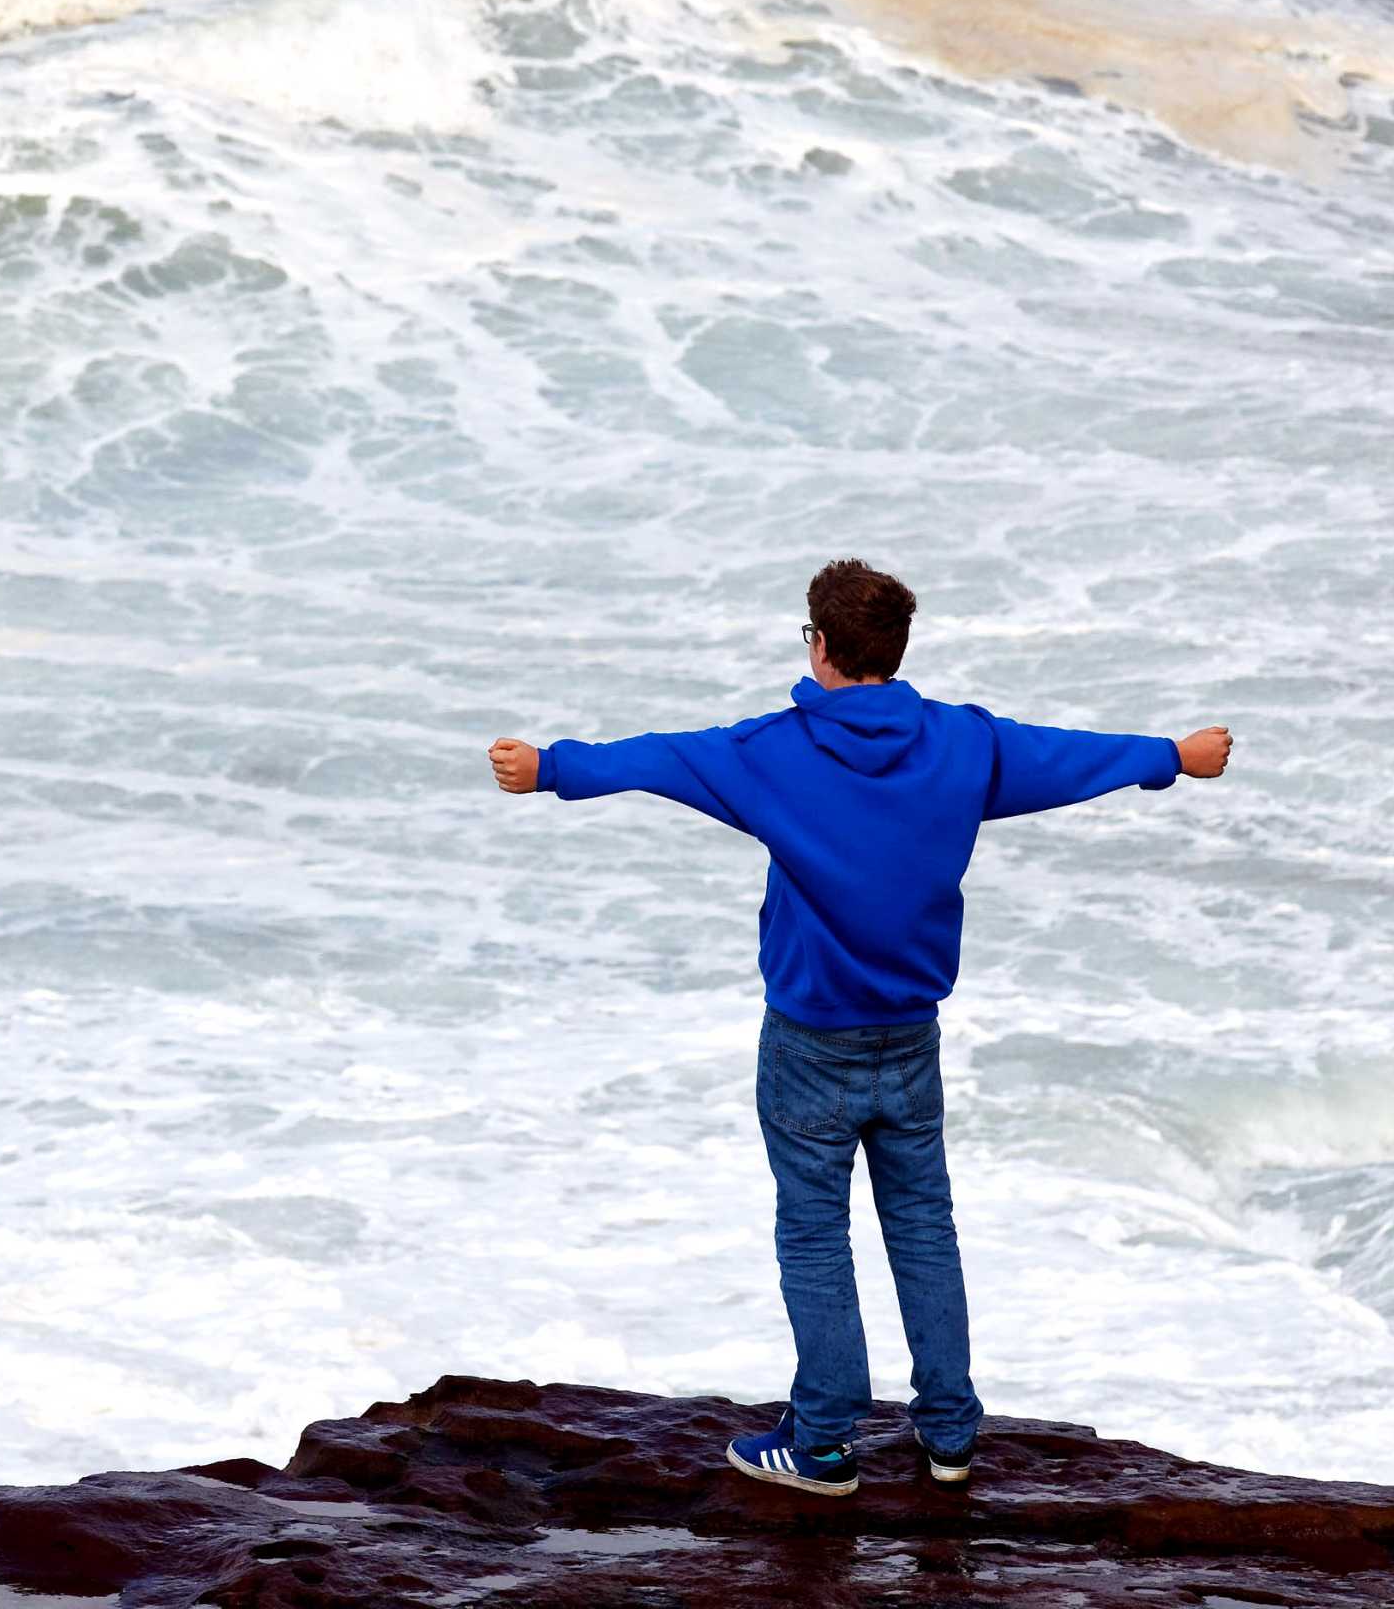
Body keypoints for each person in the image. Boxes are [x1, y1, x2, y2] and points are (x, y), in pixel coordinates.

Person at [485, 558, 1232, 1496]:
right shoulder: (964, 744)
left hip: (810, 1041)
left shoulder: (771, 752)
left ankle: (826, 1443)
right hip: (911, 1037)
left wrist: (549, 769)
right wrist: (1173, 756)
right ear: (896, 650)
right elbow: (1068, 756)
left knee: (813, 1233)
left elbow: (659, 758)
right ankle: (950, 1436)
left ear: (823, 646)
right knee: (923, 1227)